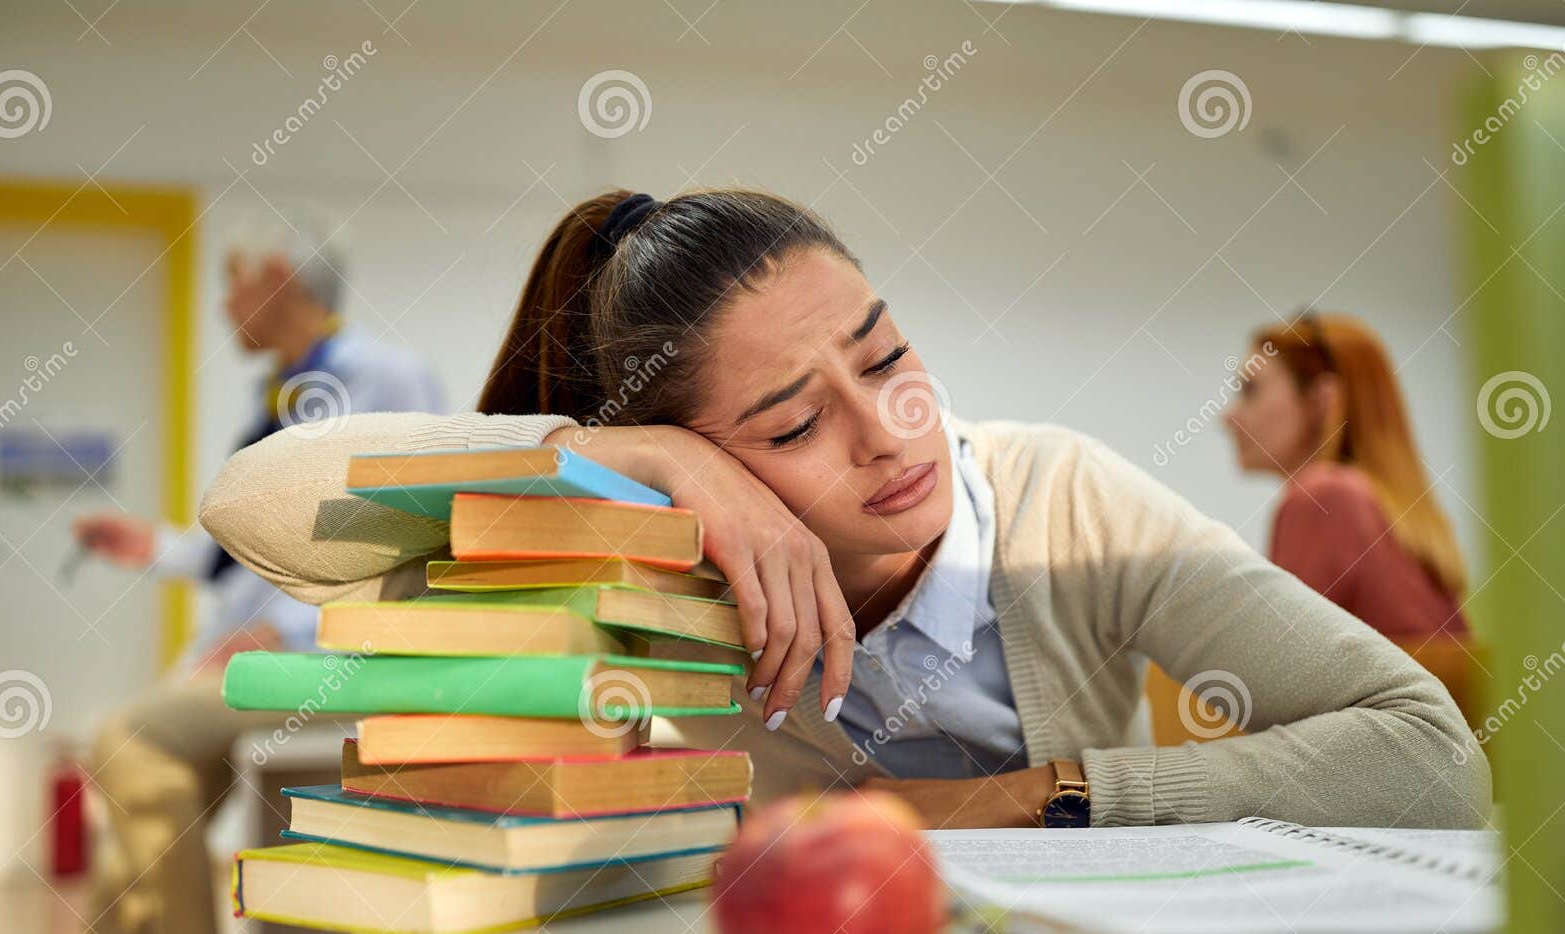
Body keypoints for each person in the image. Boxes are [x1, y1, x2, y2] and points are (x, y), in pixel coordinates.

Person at [200, 187, 1489, 847]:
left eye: (885, 357)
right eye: (789, 425)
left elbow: (1431, 757)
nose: (891, 432)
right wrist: (634, 453)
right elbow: (252, 500)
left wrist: (1023, 799)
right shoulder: (667, 556)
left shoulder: (1065, 501)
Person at [70, 216, 444, 934]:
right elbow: (249, 554)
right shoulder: (271, 396)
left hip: (332, 662)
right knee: (125, 870)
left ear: (280, 276)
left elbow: (416, 539)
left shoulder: (389, 377)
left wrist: (279, 629)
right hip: (257, 666)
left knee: (124, 736)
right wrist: (155, 546)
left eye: (232, 279)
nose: (221, 302)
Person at [1223, 313, 1469, 639]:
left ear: (1321, 400)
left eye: (1250, 390)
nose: (1228, 417)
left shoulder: (1324, 496)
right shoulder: (1378, 504)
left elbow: (1282, 668)